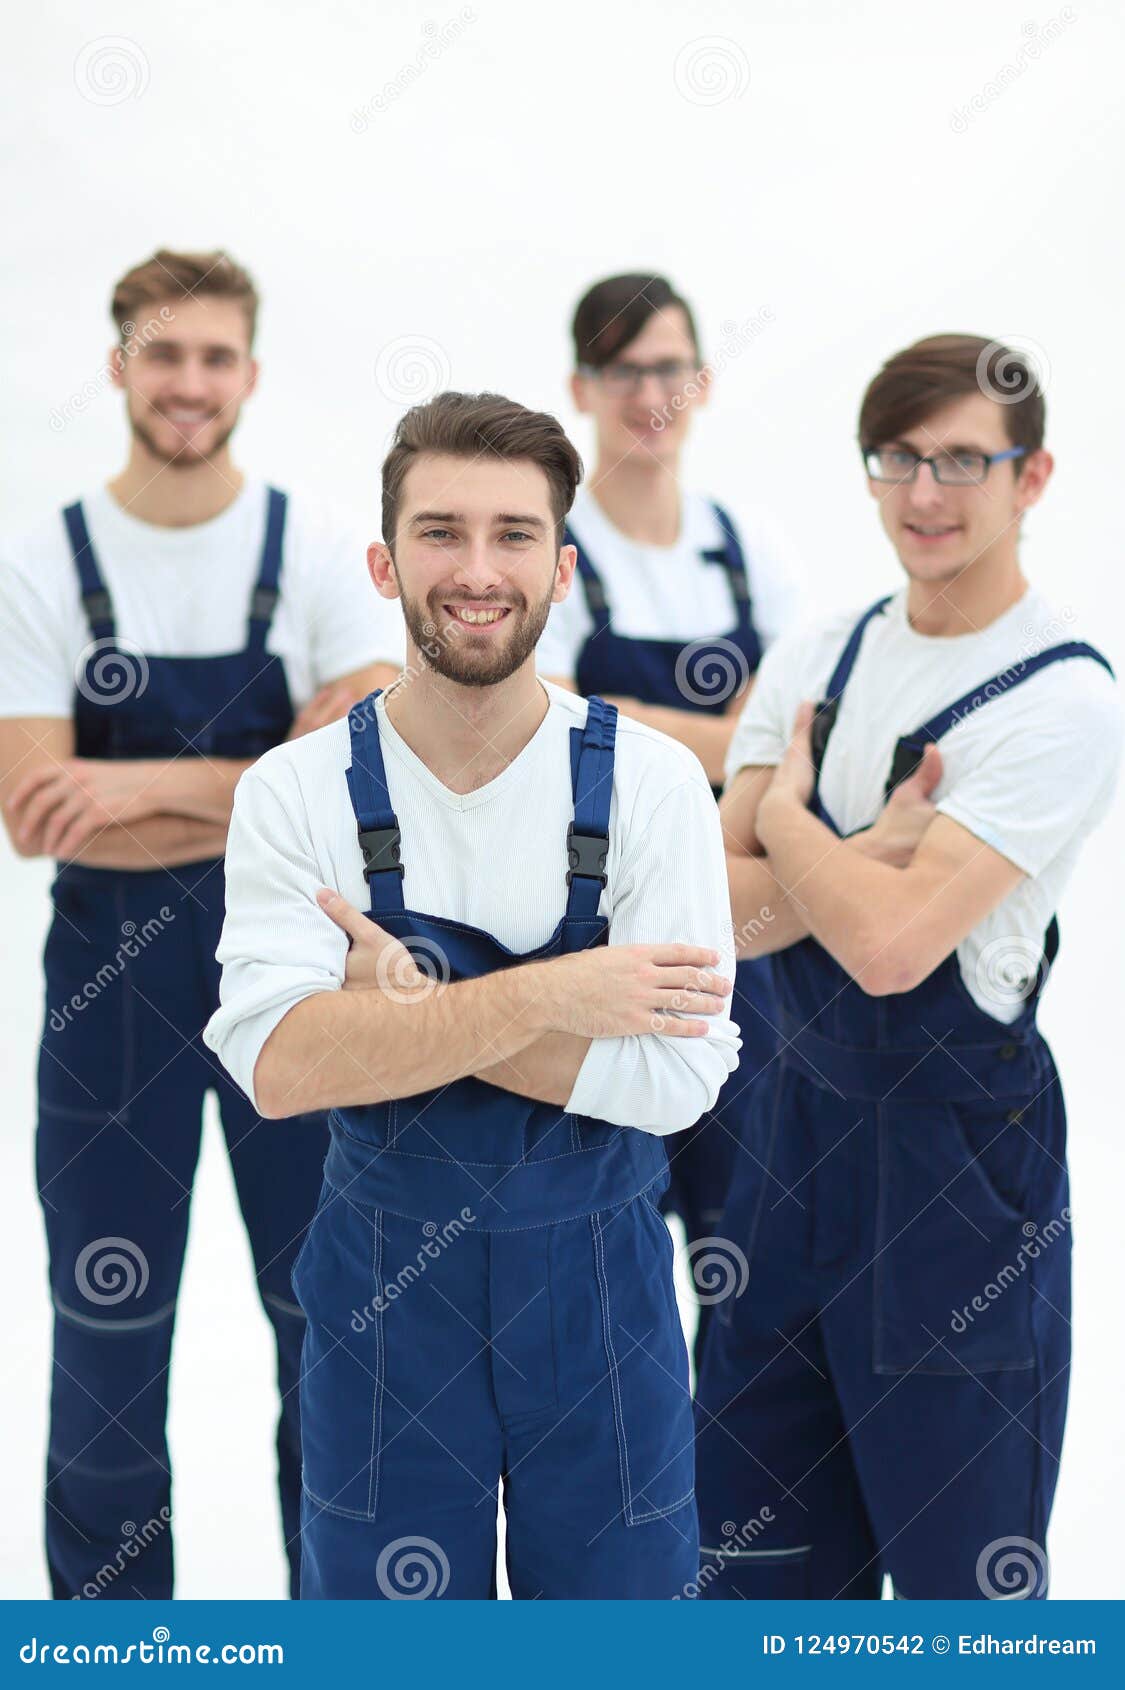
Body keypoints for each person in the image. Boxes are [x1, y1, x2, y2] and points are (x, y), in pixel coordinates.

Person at [204, 390, 742, 1599]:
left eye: (513, 535)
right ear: (386, 561)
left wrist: (401, 999)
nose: (477, 569)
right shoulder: (293, 794)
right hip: (385, 1301)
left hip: (601, 1297)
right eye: (441, 532)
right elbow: (281, 1067)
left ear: (562, 566)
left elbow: (680, 1078)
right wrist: (568, 994)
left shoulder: (653, 786)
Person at [691, 334, 1121, 1600]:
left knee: (955, 1606)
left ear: (1030, 476)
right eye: (897, 460)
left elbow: (888, 951)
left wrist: (779, 820)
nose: (924, 495)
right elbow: (715, 918)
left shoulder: (1061, 703)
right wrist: (860, 853)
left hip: (955, 1189)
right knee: (750, 1581)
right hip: (783, 1147)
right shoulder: (821, 649)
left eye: (959, 462)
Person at [0, 249, 401, 1599]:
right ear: (120, 365)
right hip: (104, 1006)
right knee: (107, 1337)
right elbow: (32, 814)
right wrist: (257, 789)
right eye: (162, 354)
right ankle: (115, 1649)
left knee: (325, 1326)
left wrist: (131, 782)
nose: (188, 383)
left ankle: (335, 1642)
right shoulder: (42, 563)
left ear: (251, 372)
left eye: (214, 357)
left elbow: (352, 797)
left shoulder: (318, 550)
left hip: (293, 985)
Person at [537, 274, 804, 1356]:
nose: (652, 393)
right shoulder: (554, 548)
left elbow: (806, 731)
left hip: (751, 937)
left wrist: (633, 721)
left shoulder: (750, 546)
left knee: (757, 1248)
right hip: (600, 934)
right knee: (606, 1250)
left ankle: (738, 1518)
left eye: (671, 367)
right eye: (625, 370)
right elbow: (544, 721)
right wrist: (732, 741)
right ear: (582, 388)